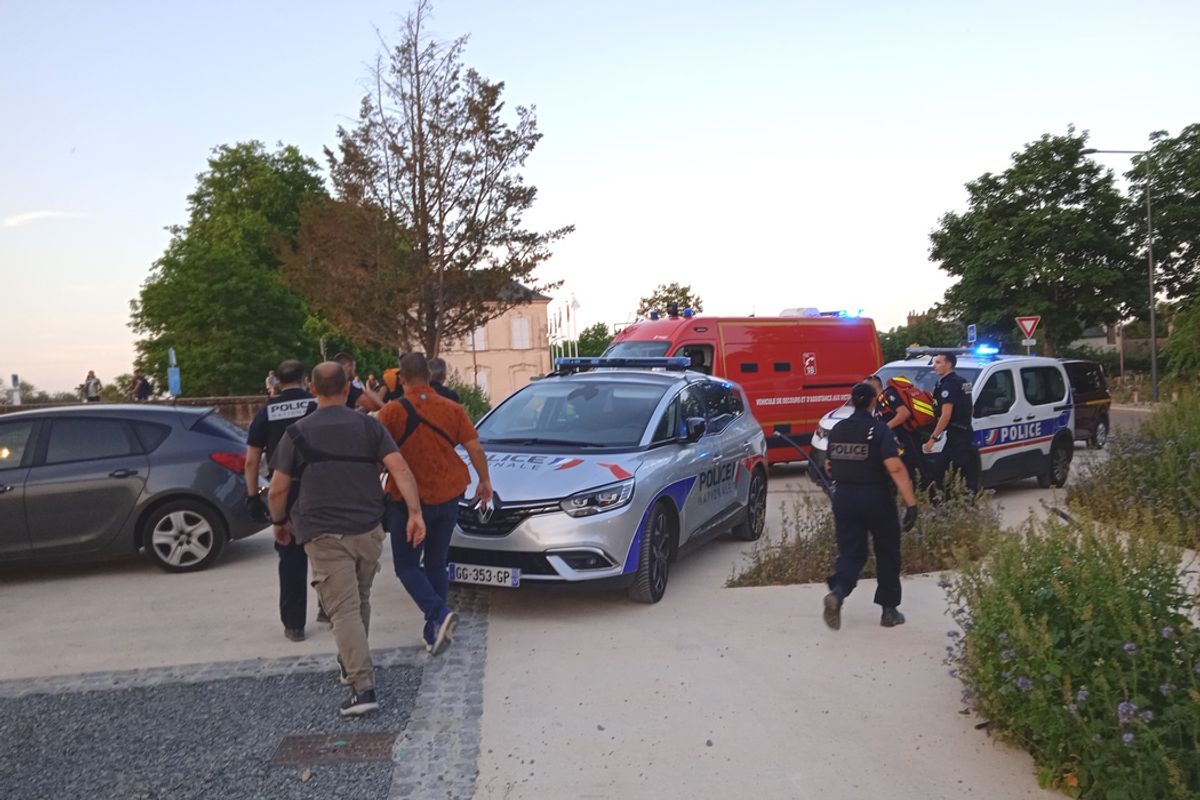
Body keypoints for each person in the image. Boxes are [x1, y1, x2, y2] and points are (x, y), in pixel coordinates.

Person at [267, 361, 425, 717]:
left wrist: (278, 521)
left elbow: (277, 489)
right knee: (359, 599)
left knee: (344, 609)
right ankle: (350, 660)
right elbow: (399, 468)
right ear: (346, 389)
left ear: (312, 389)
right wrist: (415, 513)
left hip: (323, 532)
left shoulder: (296, 433)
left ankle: (362, 686)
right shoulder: (370, 426)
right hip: (368, 527)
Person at [377, 352, 494, 655]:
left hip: (409, 501)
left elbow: (378, 457)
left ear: (402, 379)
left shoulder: (391, 413)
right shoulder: (452, 409)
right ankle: (433, 632)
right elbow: (474, 448)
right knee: (436, 562)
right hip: (449, 493)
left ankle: (439, 615)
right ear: (429, 377)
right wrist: (484, 481)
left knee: (406, 566)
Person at [823, 383, 919, 631]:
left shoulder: (838, 429)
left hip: (844, 498)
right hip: (876, 499)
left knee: (851, 554)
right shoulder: (879, 430)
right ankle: (889, 611)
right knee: (887, 552)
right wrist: (911, 504)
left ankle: (838, 592)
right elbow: (895, 467)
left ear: (852, 401)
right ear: (874, 401)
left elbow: (829, 466)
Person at [245, 360, 319, 642]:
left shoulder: (266, 412)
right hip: (319, 488)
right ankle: (329, 609)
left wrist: (253, 496)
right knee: (327, 551)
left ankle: (294, 625)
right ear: (305, 379)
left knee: (290, 559)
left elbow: (252, 460)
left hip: (283, 490)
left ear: (277, 381)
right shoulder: (316, 405)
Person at [923, 352, 979, 494]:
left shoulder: (949, 385)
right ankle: (963, 499)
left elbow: (946, 415)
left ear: (948, 364)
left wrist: (932, 439)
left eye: (938, 362)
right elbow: (970, 408)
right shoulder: (963, 381)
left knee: (942, 472)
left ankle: (950, 502)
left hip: (957, 435)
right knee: (963, 472)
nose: (934, 366)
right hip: (964, 432)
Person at [864, 374, 924, 486]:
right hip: (894, 444)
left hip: (907, 441)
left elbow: (904, 413)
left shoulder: (888, 396)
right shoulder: (878, 402)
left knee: (916, 472)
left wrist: (885, 428)